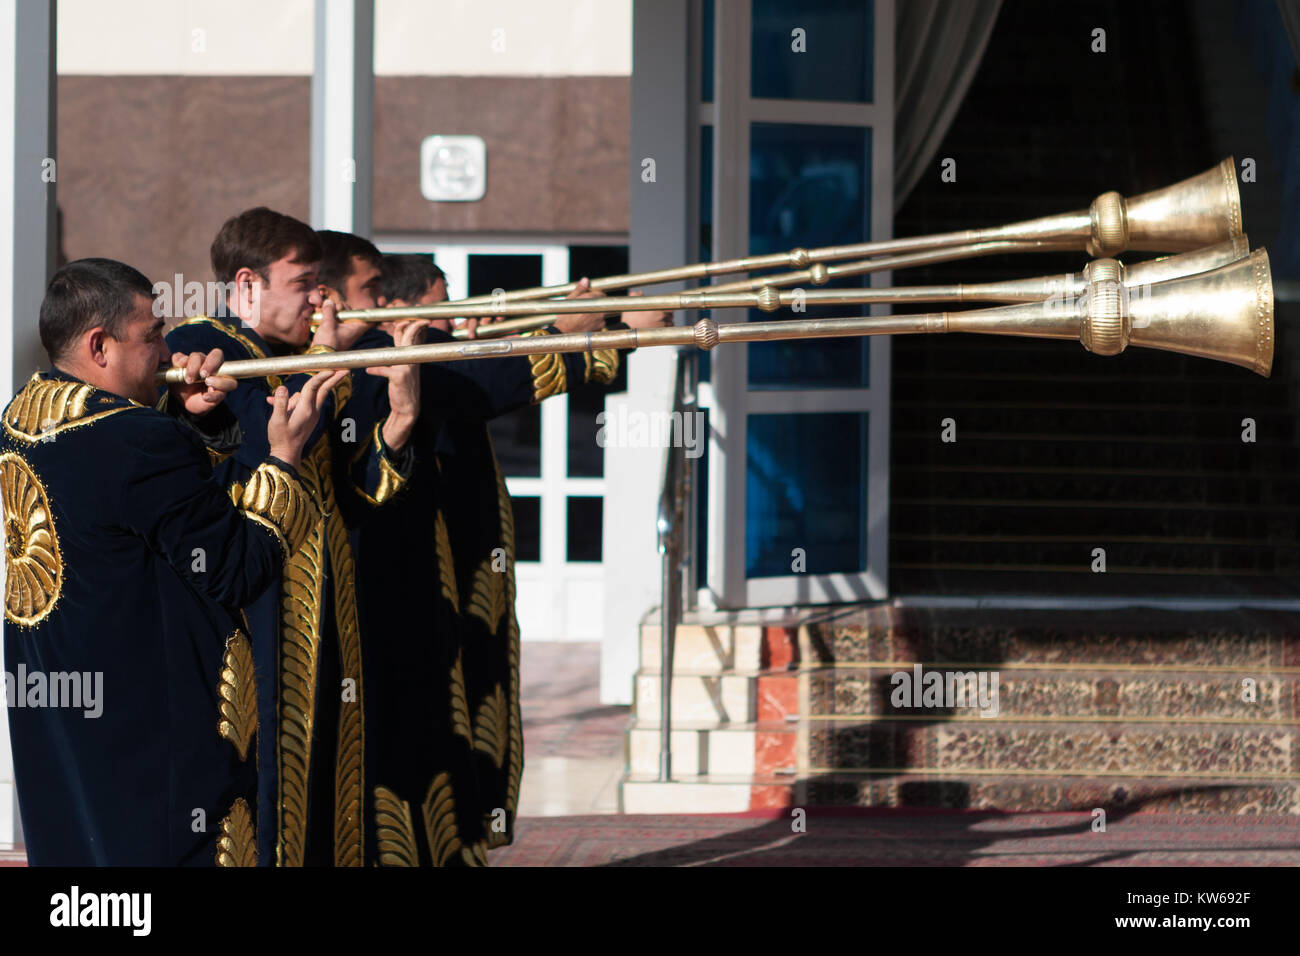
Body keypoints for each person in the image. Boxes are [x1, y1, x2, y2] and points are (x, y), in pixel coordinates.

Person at [1, 258, 339, 865]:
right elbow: (240, 567)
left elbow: (130, 506)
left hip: (61, 714)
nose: (167, 350)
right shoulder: (137, 439)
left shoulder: (20, 416)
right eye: (153, 333)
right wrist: (285, 459)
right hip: (154, 727)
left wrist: (189, 419)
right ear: (99, 345)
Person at [360, 250, 671, 859]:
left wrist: (600, 324)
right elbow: (494, 381)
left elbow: (491, 371)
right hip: (419, 599)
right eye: (440, 301)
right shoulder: (388, 370)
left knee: (473, 733)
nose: (456, 315)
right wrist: (589, 330)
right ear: (394, 307)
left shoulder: (432, 364)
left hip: (462, 590)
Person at [165, 210, 423, 867]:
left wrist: (398, 418)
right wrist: (325, 359)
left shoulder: (289, 355)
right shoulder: (207, 342)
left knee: (332, 766)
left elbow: (353, 488)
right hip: (255, 599)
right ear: (247, 284)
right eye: (304, 282)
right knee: (268, 772)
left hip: (325, 599)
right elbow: (264, 440)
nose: (320, 297)